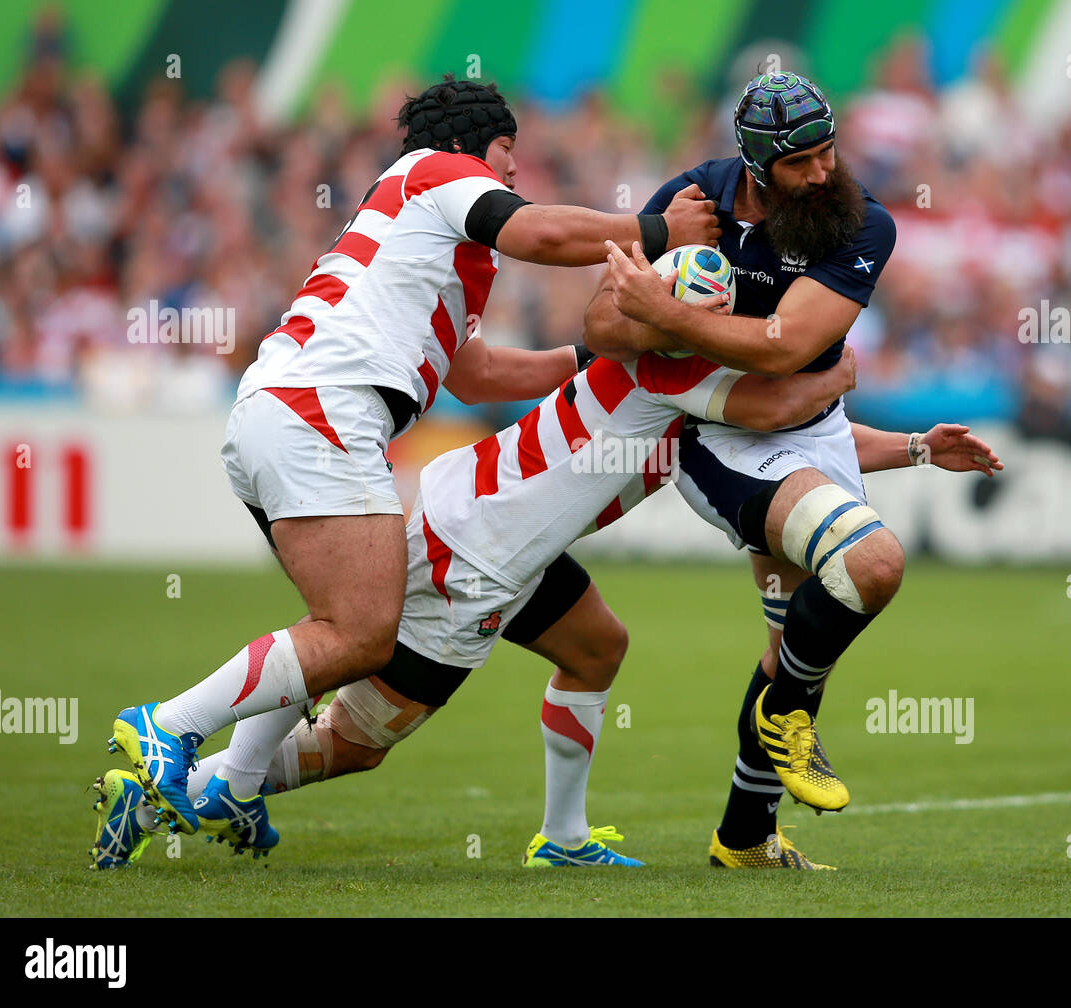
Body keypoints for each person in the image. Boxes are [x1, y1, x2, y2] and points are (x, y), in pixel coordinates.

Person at [101, 74, 719, 850]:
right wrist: (658, 231)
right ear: (469, 143)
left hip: (291, 411)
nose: (513, 170)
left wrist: (585, 353)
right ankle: (169, 727)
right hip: (322, 411)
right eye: (506, 151)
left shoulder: (427, 237)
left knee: (340, 631)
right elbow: (542, 235)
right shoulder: (437, 170)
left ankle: (225, 781)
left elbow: (477, 376)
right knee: (361, 634)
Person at [91, 339, 859, 868]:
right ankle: (173, 795)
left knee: (597, 647)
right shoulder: (682, 377)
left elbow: (799, 441)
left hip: (486, 521)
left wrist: (920, 446)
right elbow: (773, 414)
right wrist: (836, 370)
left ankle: (562, 836)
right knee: (356, 739)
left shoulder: (661, 374)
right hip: (478, 563)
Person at [584, 71, 1002, 867]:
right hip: (716, 441)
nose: (823, 172)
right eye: (801, 162)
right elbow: (601, 322)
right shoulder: (692, 204)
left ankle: (744, 840)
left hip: (808, 433)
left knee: (794, 651)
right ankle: (785, 716)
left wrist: (914, 448)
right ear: (754, 163)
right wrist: (656, 299)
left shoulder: (860, 223)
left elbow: (787, 348)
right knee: (871, 565)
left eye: (828, 151)